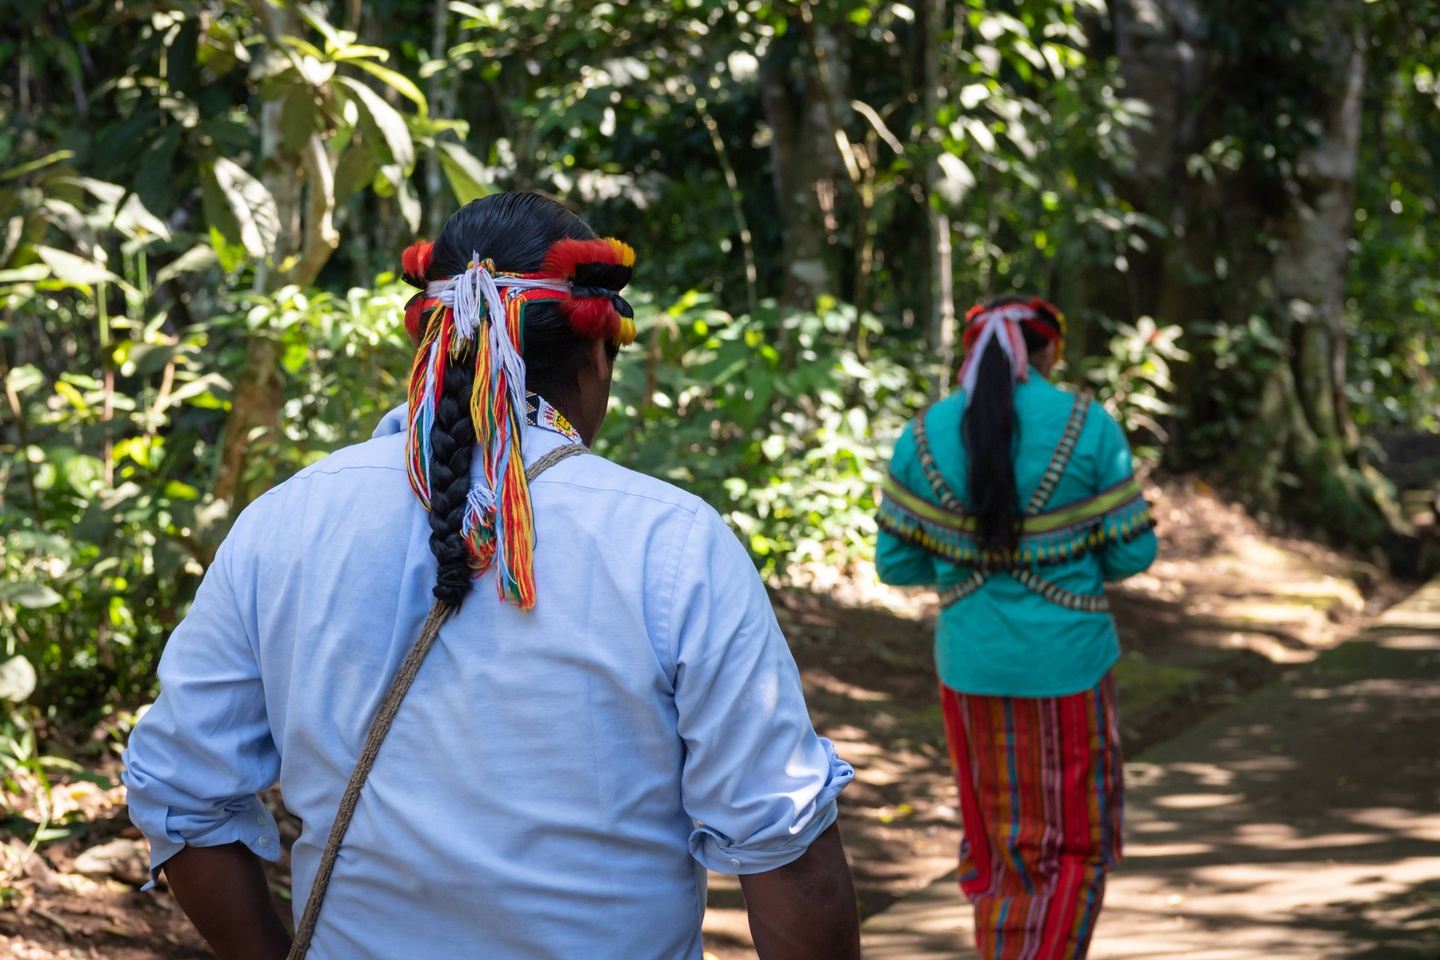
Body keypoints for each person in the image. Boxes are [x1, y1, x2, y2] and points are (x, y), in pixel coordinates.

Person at [122, 192, 860, 960]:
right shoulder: (670, 545)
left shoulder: (283, 523)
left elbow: (178, 788)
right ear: (598, 353)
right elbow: (790, 854)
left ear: (432, 343)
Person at [876, 297, 1158, 958]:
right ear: (1049, 352)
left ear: (972, 352)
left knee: (998, 843)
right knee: (1076, 843)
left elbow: (895, 562)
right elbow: (1133, 552)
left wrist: (963, 566)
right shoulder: (1087, 425)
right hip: (1071, 667)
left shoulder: (925, 433)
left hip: (970, 670)